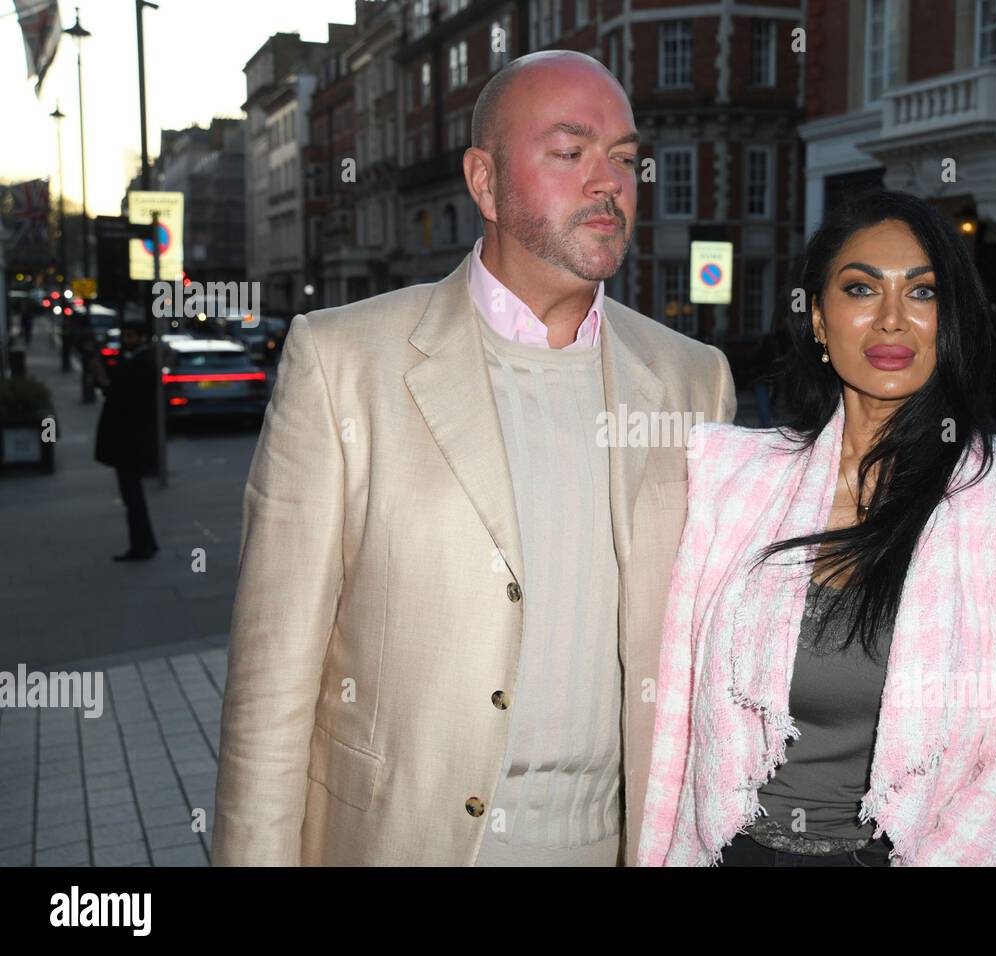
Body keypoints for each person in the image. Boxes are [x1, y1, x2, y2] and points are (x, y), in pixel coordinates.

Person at [212, 50, 737, 867]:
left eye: (627, 159)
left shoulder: (693, 381)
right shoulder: (342, 361)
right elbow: (271, 683)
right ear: (485, 182)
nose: (611, 183)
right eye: (571, 153)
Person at [638, 190, 996, 867]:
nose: (892, 320)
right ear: (817, 320)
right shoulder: (734, 474)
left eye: (922, 294)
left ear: (949, 319)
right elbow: (679, 727)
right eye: (861, 288)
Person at [93, 318, 159, 561]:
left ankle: (142, 545)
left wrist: (104, 380)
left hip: (130, 442)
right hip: (128, 440)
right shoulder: (135, 360)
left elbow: (124, 397)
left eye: (131, 336)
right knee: (132, 498)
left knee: (133, 498)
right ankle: (144, 543)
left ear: (141, 337)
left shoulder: (142, 363)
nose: (126, 340)